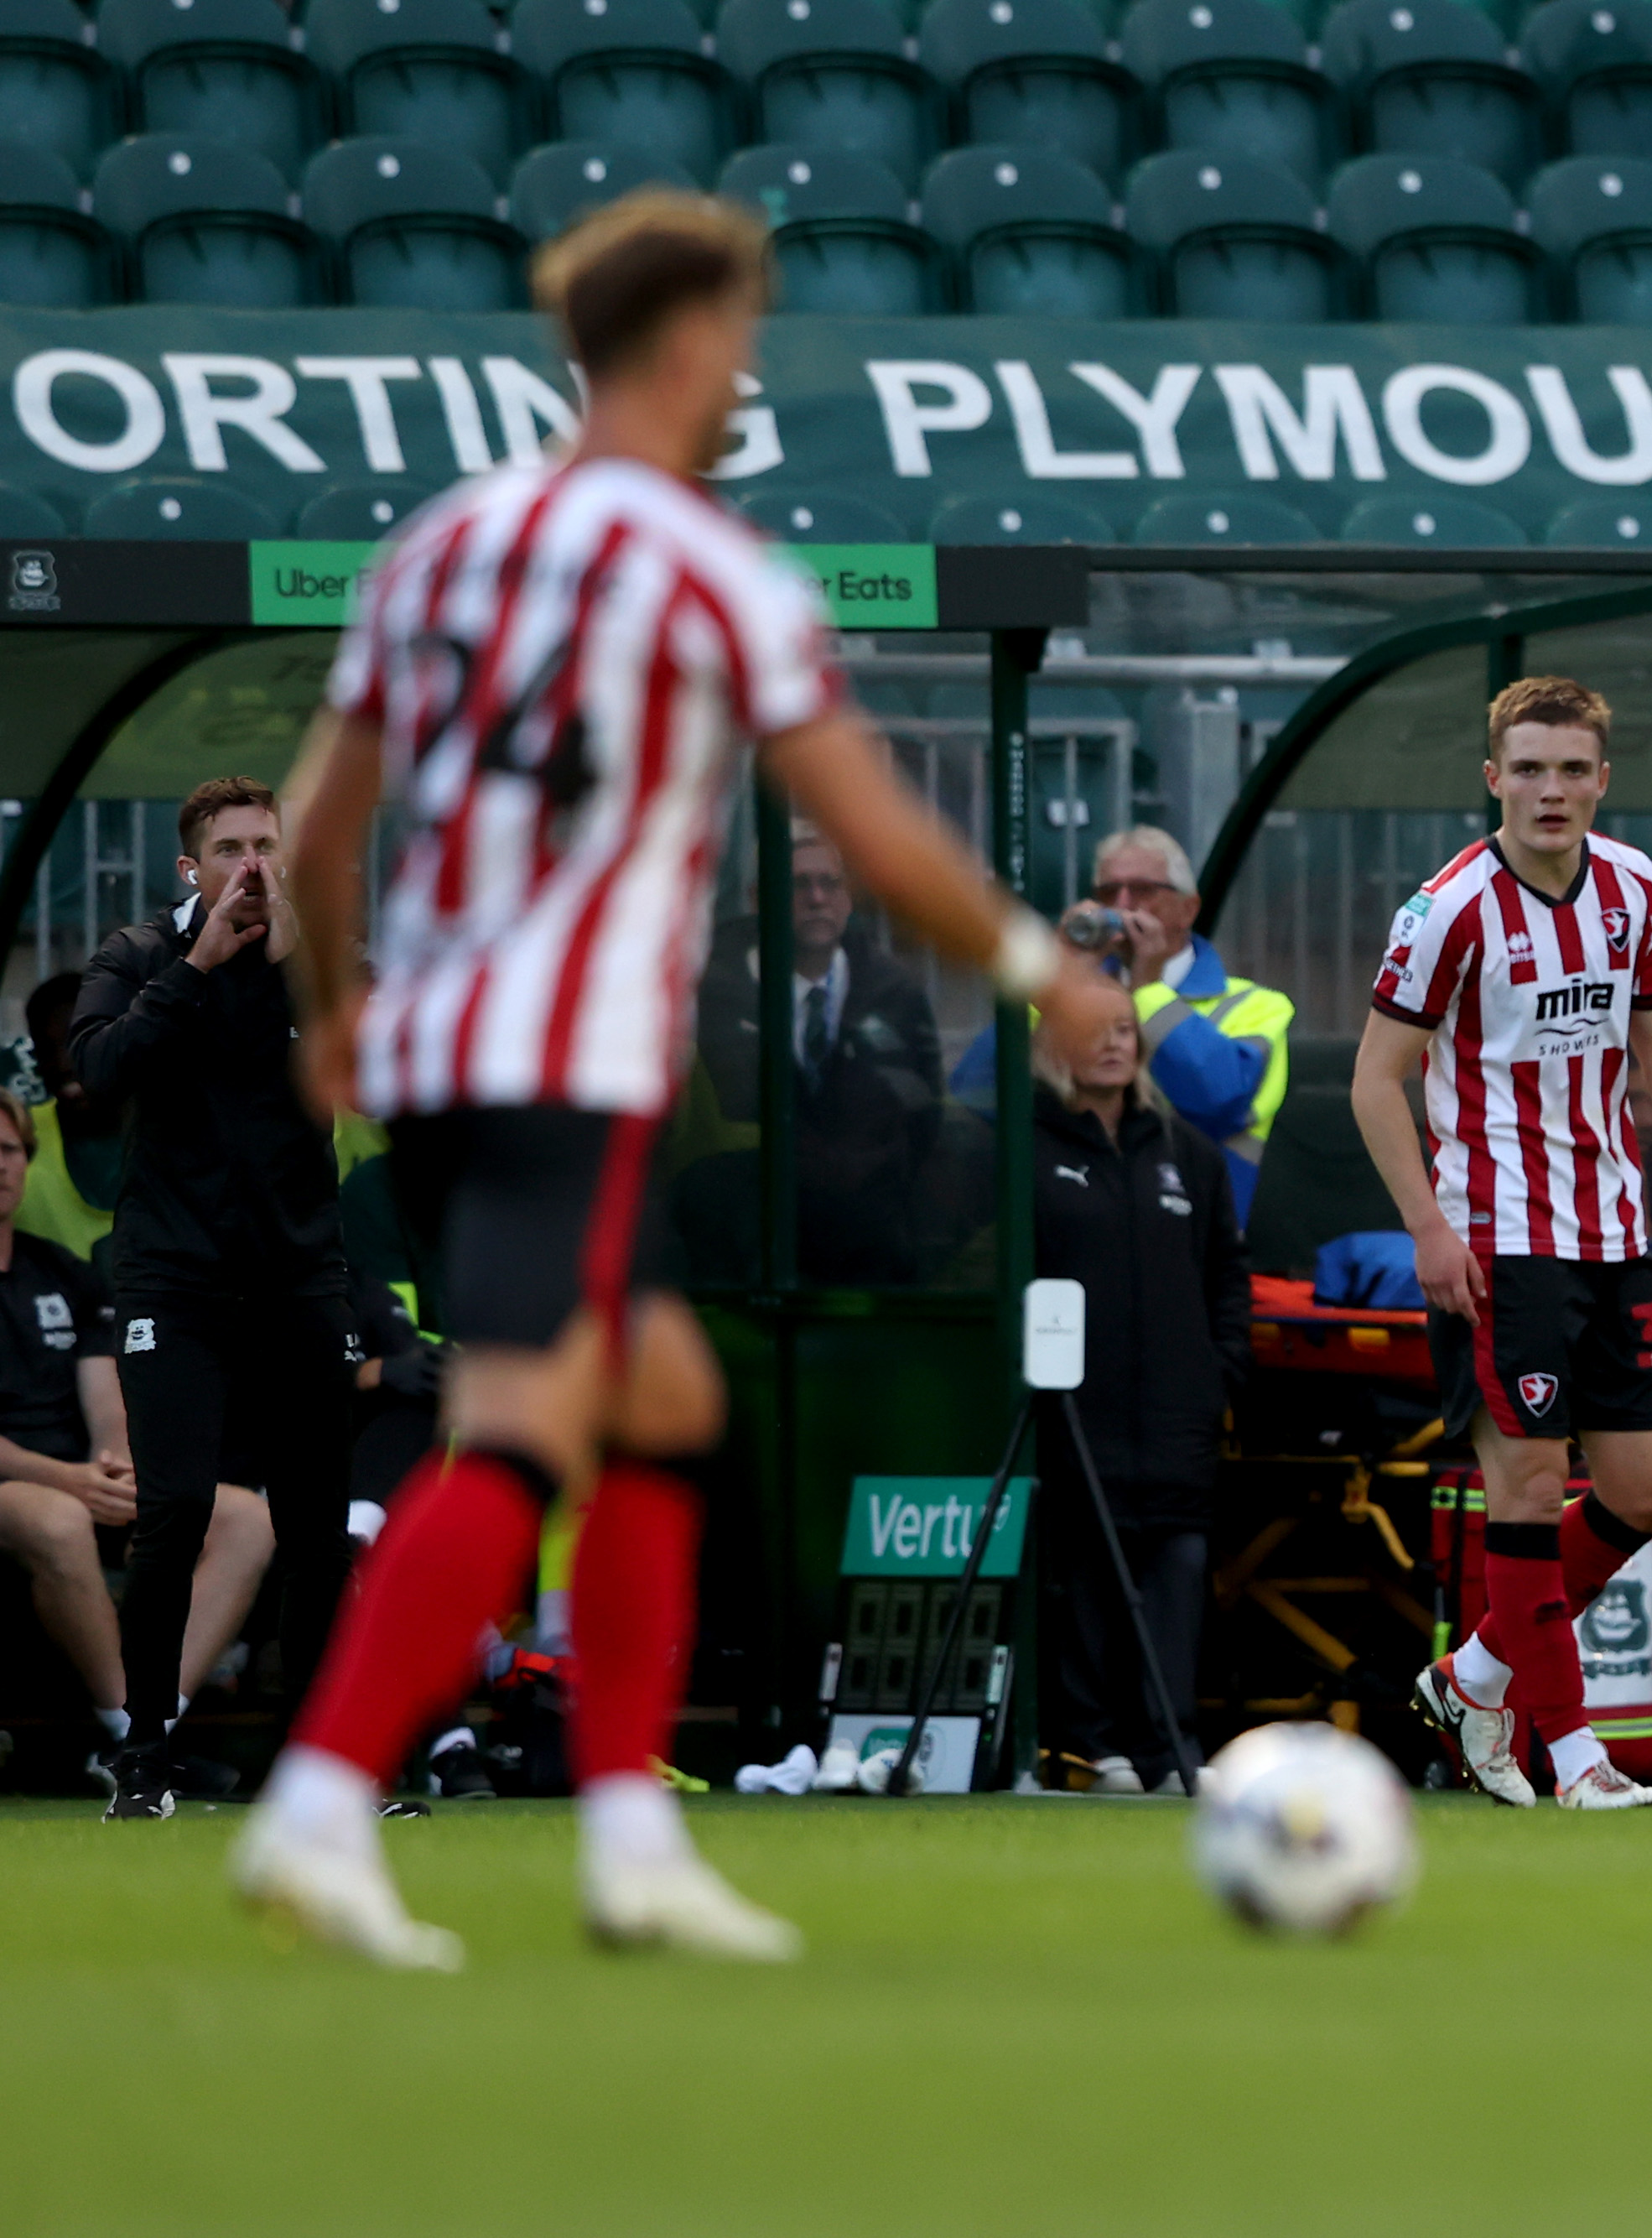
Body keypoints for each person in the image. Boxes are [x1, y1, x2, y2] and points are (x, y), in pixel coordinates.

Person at [235, 188, 1127, 1968]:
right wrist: (1042, 963)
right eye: (743, 343)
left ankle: (630, 1832)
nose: (746, 380)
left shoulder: (441, 545)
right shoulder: (711, 563)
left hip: (438, 1059)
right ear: (693, 340)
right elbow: (869, 831)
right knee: (521, 1429)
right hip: (566, 1063)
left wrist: (337, 1007)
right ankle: (321, 1800)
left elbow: (324, 827)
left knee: (661, 1410)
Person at [1359, 675, 1652, 1812]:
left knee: (1645, 1492)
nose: (1550, 790)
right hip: (1495, 1241)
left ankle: (1474, 1674)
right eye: (1527, 768)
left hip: (1612, 1236)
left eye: (1571, 770)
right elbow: (1374, 1083)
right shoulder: (1448, 909)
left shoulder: (1632, 887)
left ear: (1602, 782)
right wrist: (1428, 1227)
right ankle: (1573, 1758)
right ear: (1492, 779)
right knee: (1526, 1485)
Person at [70, 777, 360, 1821]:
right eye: (232, 848)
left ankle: (324, 1773)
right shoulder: (142, 956)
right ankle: (144, 1755)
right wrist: (198, 969)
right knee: (177, 1506)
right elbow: (97, 1069)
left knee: (318, 1524)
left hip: (296, 1277)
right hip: (175, 1275)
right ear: (190, 869)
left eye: (268, 847)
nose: (253, 867)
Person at [0, 1090, 270, 1793]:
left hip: (76, 1476)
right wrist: (68, 1480)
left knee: (247, 1517)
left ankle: (147, 1736)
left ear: (27, 1163)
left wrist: (115, 1466)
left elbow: (104, 1390)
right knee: (59, 1520)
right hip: (22, 1488)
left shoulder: (60, 1270)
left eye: (6, 1151)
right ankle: (135, 1738)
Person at [1031, 999, 1249, 1798]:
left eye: (1125, 1028)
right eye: (1095, 1029)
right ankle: (1095, 1745)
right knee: (1089, 1567)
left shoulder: (1188, 1153)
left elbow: (1227, 1275)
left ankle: (1170, 1743)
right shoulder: (1023, 1149)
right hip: (1078, 1412)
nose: (1115, 1042)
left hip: (1176, 1415)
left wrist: (1219, 1373)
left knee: (1179, 1568)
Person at [948, 827, 1294, 1229]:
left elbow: (1218, 1101)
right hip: (1070, 1230)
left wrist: (1147, 992)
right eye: (1109, 892)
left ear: (1188, 909)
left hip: (1191, 1239)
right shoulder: (1069, 997)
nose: (1125, 905)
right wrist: (1055, 983)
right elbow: (974, 1094)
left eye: (1143, 890)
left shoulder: (1258, 1006)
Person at [693, 822, 947, 1284]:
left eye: (831, 883)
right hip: (744, 1261)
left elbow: (926, 1121)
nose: (816, 898)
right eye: (797, 884)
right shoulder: (710, 997)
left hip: (873, 1259)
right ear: (756, 898)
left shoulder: (897, 994)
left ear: (849, 899)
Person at [15, 972, 120, 1262]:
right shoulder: (15, 1141)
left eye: (77, 1042)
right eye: (47, 1049)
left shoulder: (182, 1137)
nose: (62, 1064)